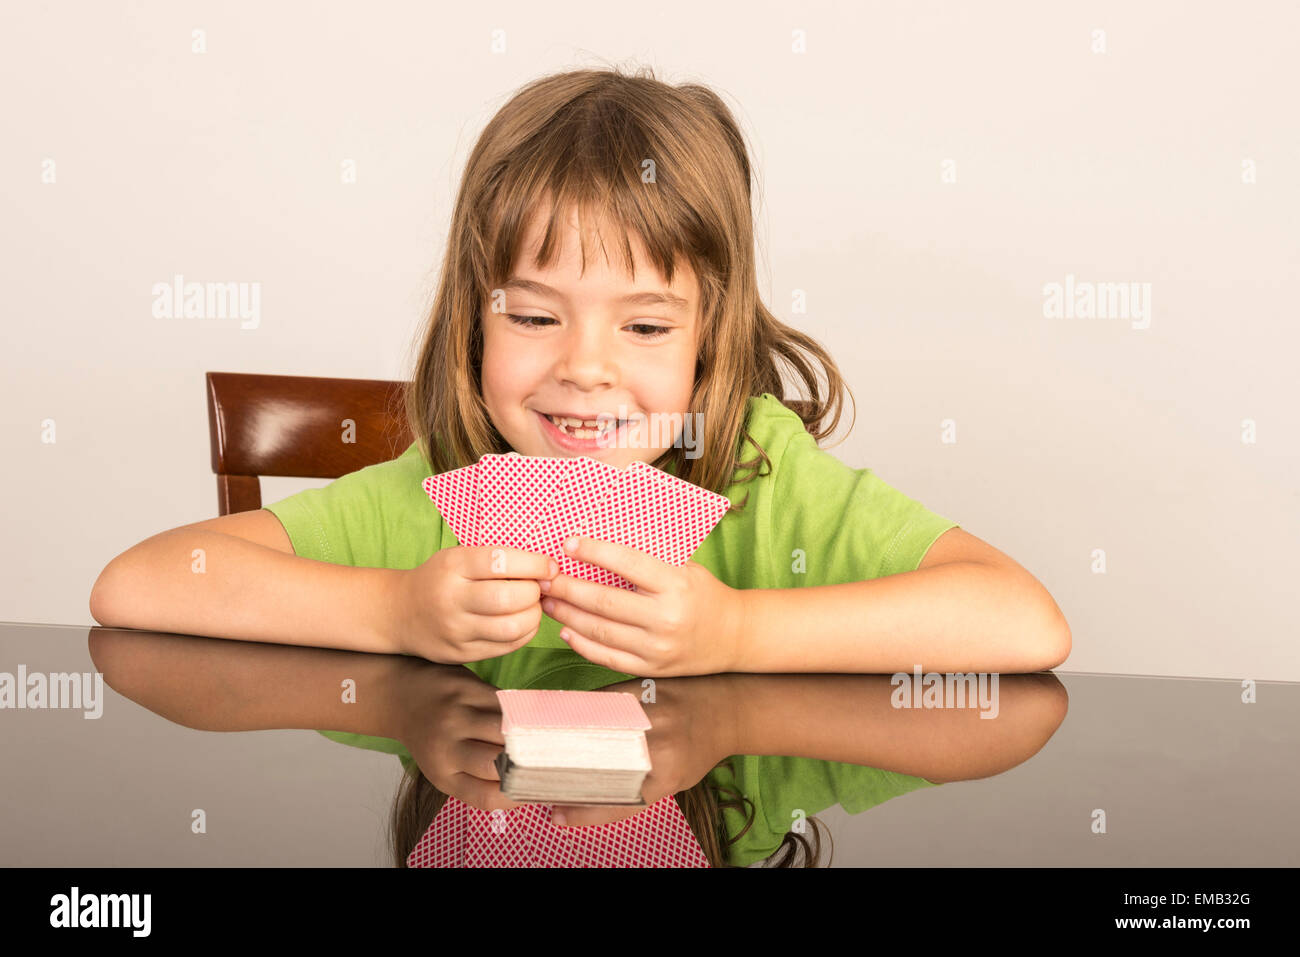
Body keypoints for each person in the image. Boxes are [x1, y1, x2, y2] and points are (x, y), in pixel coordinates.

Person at [89, 65, 1071, 850]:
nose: (584, 369)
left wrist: (732, 635)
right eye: (533, 315)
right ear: (473, 323)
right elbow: (139, 585)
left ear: (709, 338)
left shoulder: (759, 480)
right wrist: (396, 608)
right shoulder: (440, 491)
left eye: (644, 325)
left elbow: (1020, 625)